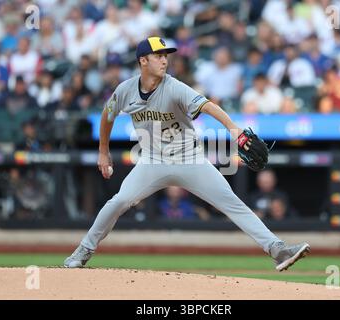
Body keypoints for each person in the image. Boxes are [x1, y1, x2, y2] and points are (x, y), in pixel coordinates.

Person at [64, 36, 310, 271]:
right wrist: (103, 151)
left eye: (166, 55)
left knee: (232, 203)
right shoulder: (125, 90)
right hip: (152, 161)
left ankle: (278, 249)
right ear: (142, 61)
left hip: (190, 159)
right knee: (118, 202)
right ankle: (84, 250)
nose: (164, 60)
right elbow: (108, 115)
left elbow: (207, 105)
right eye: (158, 55)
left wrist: (233, 129)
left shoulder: (174, 87)